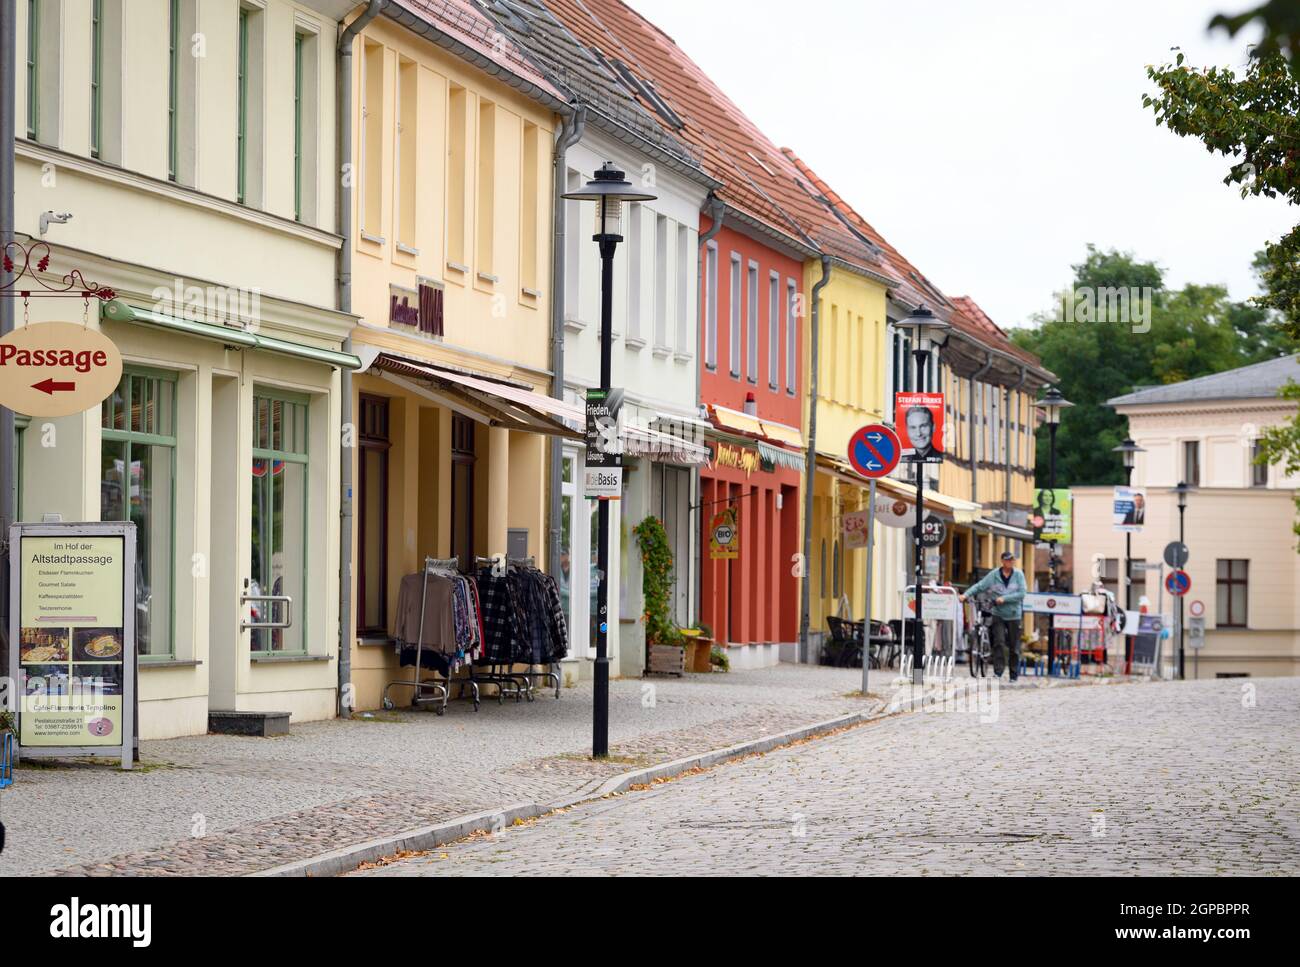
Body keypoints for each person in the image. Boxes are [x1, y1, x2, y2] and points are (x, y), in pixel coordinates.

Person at [959, 550, 1027, 680]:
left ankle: (1013, 675)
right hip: (998, 613)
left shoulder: (1018, 574)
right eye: (1007, 560)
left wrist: (1004, 598)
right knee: (999, 643)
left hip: (1014, 614)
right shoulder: (994, 575)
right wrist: (965, 595)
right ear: (1002, 561)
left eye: (1012, 560)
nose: (1010, 562)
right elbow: (980, 586)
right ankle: (998, 672)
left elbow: (1022, 593)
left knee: (1014, 646)